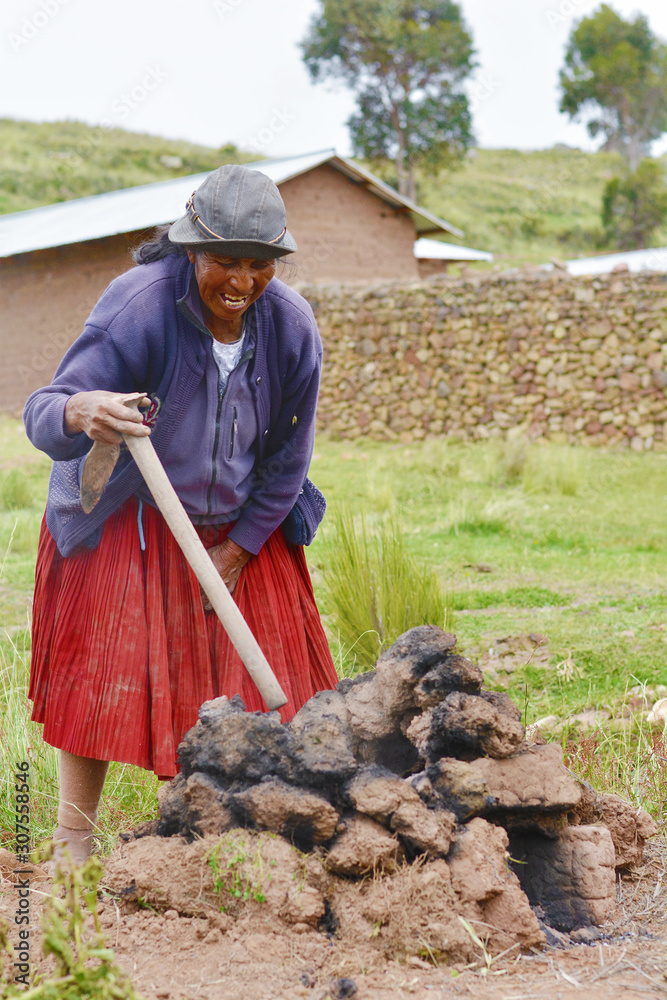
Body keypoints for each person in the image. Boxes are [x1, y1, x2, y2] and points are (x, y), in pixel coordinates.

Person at [23, 164, 339, 864]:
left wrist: (240, 551)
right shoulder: (136, 306)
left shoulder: (289, 327)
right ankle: (72, 842)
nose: (241, 281)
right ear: (189, 249)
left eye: (259, 264)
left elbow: (290, 457)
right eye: (223, 260)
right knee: (102, 681)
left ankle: (226, 836)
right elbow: (44, 411)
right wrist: (85, 410)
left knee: (272, 692)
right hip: (127, 519)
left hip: (243, 524)